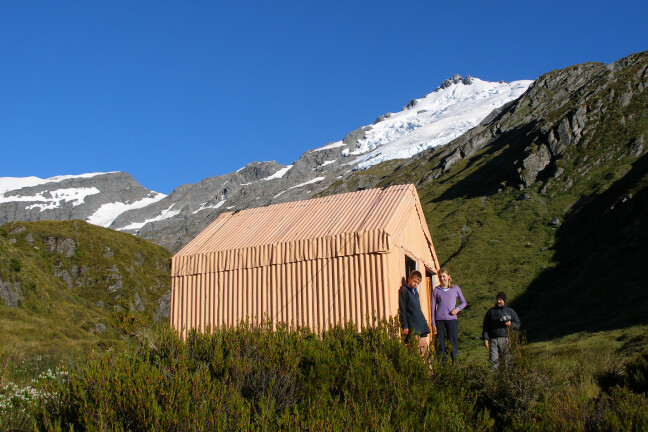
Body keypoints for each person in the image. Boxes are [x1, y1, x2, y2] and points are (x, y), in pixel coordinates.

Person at [431, 267, 467, 363]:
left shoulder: (455, 288)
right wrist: (433, 324)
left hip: (451, 319)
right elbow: (433, 308)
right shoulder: (436, 290)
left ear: (449, 277)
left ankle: (455, 366)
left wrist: (457, 309)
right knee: (440, 344)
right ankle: (442, 367)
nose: (442, 278)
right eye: (440, 277)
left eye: (444, 276)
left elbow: (464, 303)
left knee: (453, 342)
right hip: (439, 320)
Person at [482, 291, 521, 369]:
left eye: (500, 299)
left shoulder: (510, 311)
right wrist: (485, 338)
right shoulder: (491, 312)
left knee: (506, 362)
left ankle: (505, 379)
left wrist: (511, 324)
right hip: (493, 340)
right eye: (497, 299)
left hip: (505, 339)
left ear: (504, 300)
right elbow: (485, 326)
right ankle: (494, 380)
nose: (498, 301)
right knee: (493, 363)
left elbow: (518, 324)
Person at [399, 270, 431, 355]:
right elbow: (403, 309)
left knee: (424, 345)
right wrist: (405, 325)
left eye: (418, 283)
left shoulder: (415, 292)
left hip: (420, 321)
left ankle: (427, 366)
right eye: (414, 281)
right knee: (417, 347)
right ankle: (419, 365)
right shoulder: (404, 290)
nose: (415, 284)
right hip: (413, 323)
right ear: (409, 278)